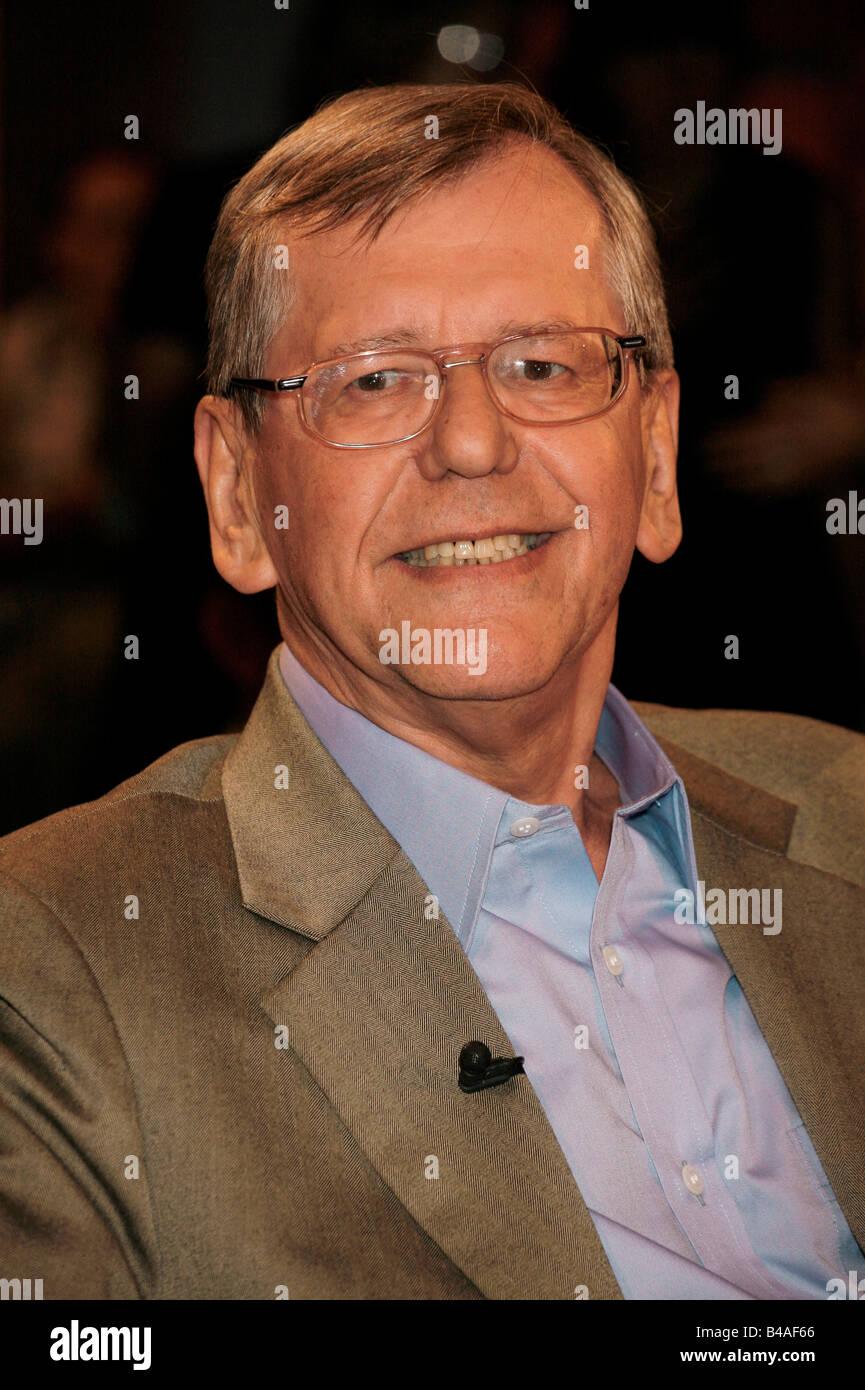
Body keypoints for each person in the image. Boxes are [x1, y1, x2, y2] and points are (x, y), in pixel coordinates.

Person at [1, 82, 863, 1302]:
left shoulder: (847, 809)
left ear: (657, 456)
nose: (471, 439)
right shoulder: (48, 973)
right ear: (239, 495)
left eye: (542, 362)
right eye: (370, 380)